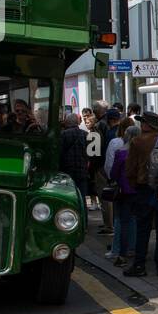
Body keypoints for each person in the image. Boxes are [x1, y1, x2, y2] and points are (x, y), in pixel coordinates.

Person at [123, 111, 158, 277]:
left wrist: (134, 184)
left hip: (143, 187)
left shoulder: (137, 141)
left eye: (142, 122)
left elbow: (130, 168)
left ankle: (140, 264)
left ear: (146, 124)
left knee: (143, 228)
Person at [107, 120, 139, 266]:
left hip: (124, 192)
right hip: (139, 190)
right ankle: (135, 249)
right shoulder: (142, 152)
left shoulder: (121, 153)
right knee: (137, 221)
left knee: (123, 222)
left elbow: (113, 173)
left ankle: (122, 254)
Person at [91, 103, 118, 235]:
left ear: (96, 111)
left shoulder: (98, 126)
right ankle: (112, 223)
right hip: (114, 164)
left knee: (104, 195)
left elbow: (94, 150)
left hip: (101, 164)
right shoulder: (116, 125)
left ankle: (109, 225)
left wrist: (94, 166)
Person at [59, 111, 90, 207]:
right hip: (82, 171)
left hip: (67, 172)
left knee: (67, 199)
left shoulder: (63, 135)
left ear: (67, 122)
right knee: (81, 199)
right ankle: (83, 219)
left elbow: (60, 153)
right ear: (77, 122)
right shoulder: (85, 134)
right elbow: (89, 154)